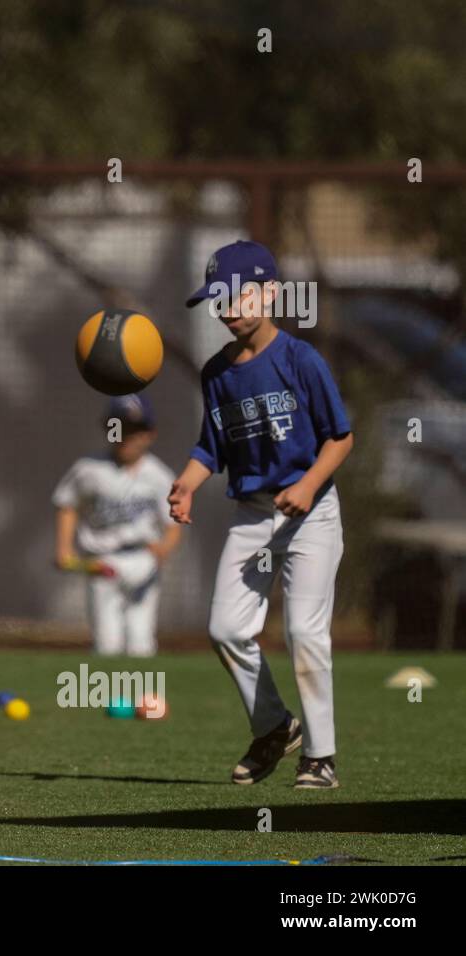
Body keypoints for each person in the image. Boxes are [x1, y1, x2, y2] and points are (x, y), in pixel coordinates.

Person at [168, 240, 353, 789]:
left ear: (269, 292)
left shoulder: (301, 359)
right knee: (225, 628)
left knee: (304, 632)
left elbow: (340, 438)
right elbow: (212, 447)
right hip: (251, 516)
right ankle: (274, 725)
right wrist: (187, 483)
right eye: (216, 299)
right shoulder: (216, 372)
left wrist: (309, 484)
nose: (226, 307)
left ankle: (320, 757)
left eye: (235, 295)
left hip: (311, 513)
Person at [52, 393, 182, 657]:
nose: (126, 436)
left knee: (141, 642)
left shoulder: (159, 475)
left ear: (150, 433)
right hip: (102, 561)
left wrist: (165, 548)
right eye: (119, 427)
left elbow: (174, 523)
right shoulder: (89, 469)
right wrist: (64, 548)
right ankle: (110, 697)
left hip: (142, 558)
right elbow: (67, 504)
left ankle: (142, 698)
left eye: (135, 430)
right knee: (107, 643)